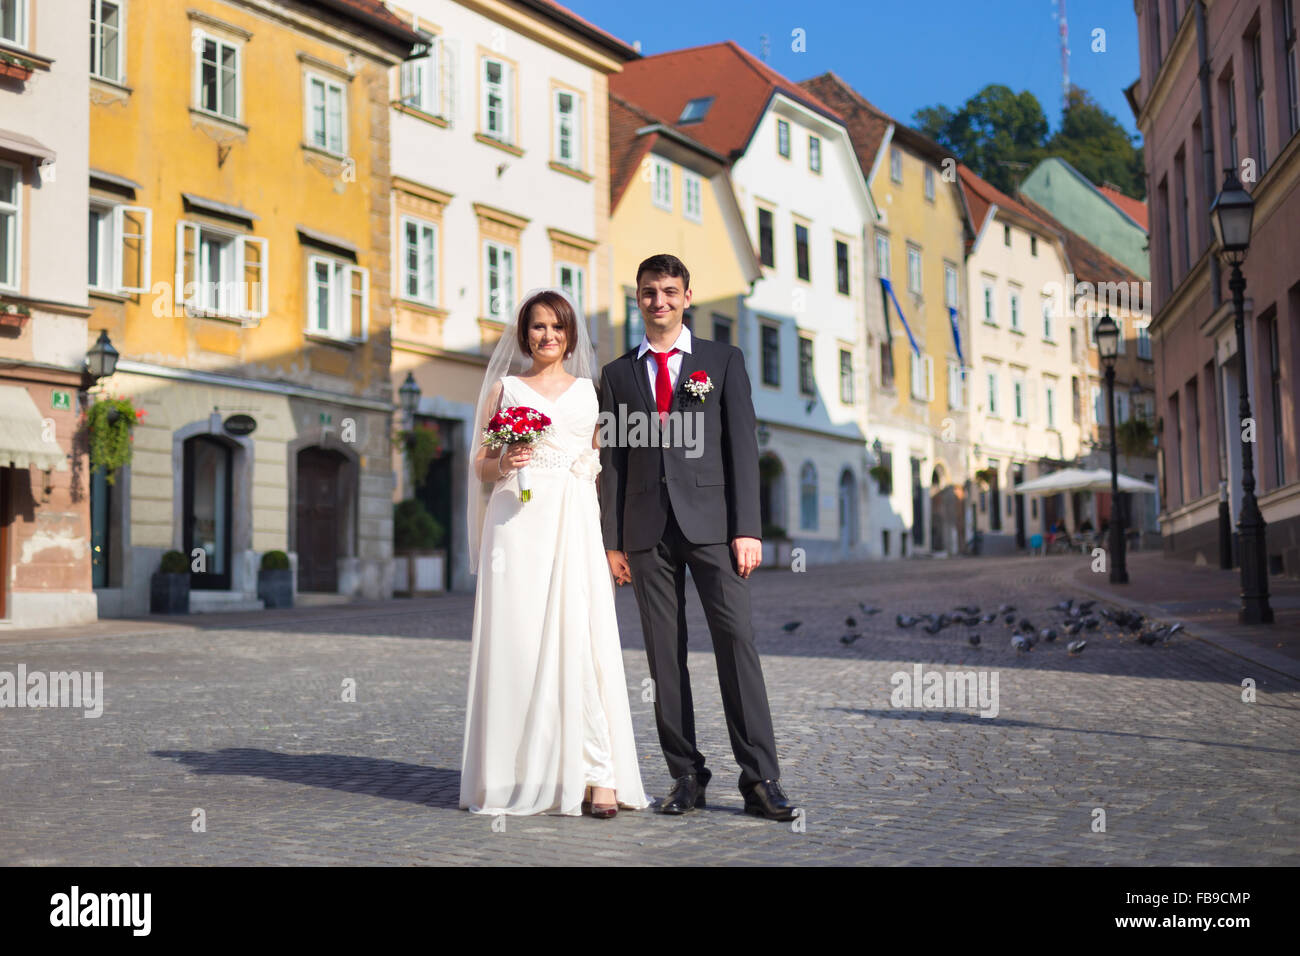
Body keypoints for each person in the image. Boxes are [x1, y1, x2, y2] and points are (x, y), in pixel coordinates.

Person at [598, 253, 800, 821]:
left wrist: (748, 529)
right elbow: (612, 463)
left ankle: (761, 780)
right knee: (665, 657)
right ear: (637, 299)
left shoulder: (722, 360)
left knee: (737, 644)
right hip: (645, 534)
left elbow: (743, 448)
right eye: (647, 293)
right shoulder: (617, 375)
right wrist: (612, 542)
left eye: (668, 291)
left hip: (715, 529)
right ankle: (686, 775)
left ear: (687, 296)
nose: (658, 301)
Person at [460, 288, 650, 819]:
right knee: (517, 639)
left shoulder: (593, 391)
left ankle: (598, 774)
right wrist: (504, 462)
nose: (547, 336)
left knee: (583, 636)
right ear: (524, 334)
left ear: (570, 335)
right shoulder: (507, 387)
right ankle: (518, 771)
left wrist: (616, 540)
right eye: (538, 327)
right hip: (516, 524)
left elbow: (606, 466)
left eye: (557, 327)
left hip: (574, 520)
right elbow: (480, 463)